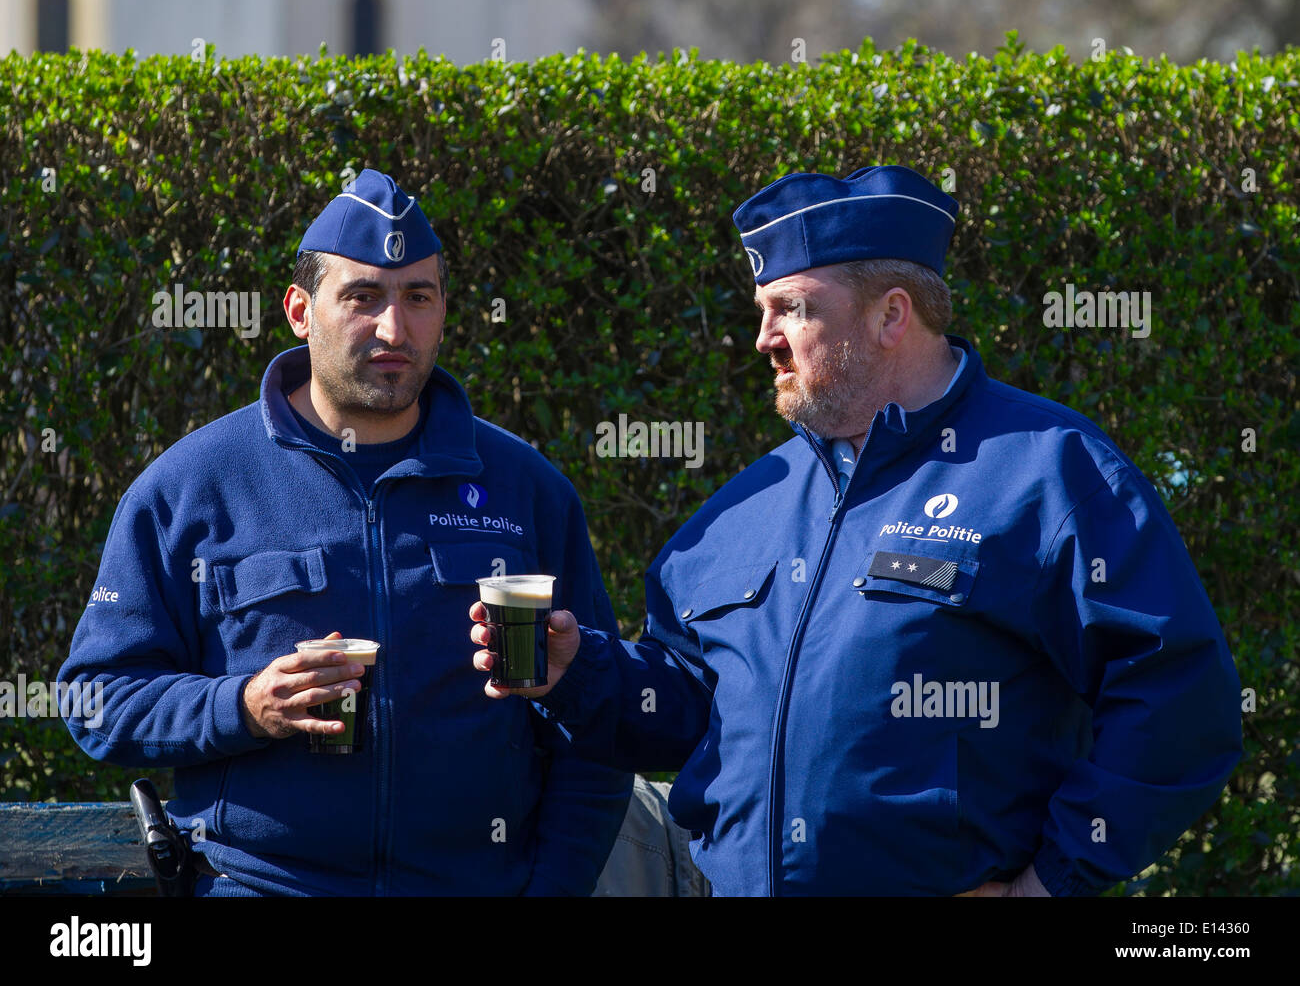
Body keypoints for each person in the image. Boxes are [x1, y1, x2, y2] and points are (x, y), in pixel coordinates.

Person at [472, 165, 1244, 896]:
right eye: (761, 311)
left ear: (891, 315)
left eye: (794, 309)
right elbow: (694, 713)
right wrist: (578, 670)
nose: (763, 339)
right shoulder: (746, 509)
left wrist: (1050, 882)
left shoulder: (1048, 472)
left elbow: (1179, 698)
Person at [59, 169, 632, 896]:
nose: (394, 329)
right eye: (362, 297)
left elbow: (600, 720)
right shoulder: (191, 487)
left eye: (418, 298)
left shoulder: (527, 489)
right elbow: (95, 696)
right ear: (300, 309)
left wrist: (551, 888)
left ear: (445, 310)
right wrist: (243, 707)